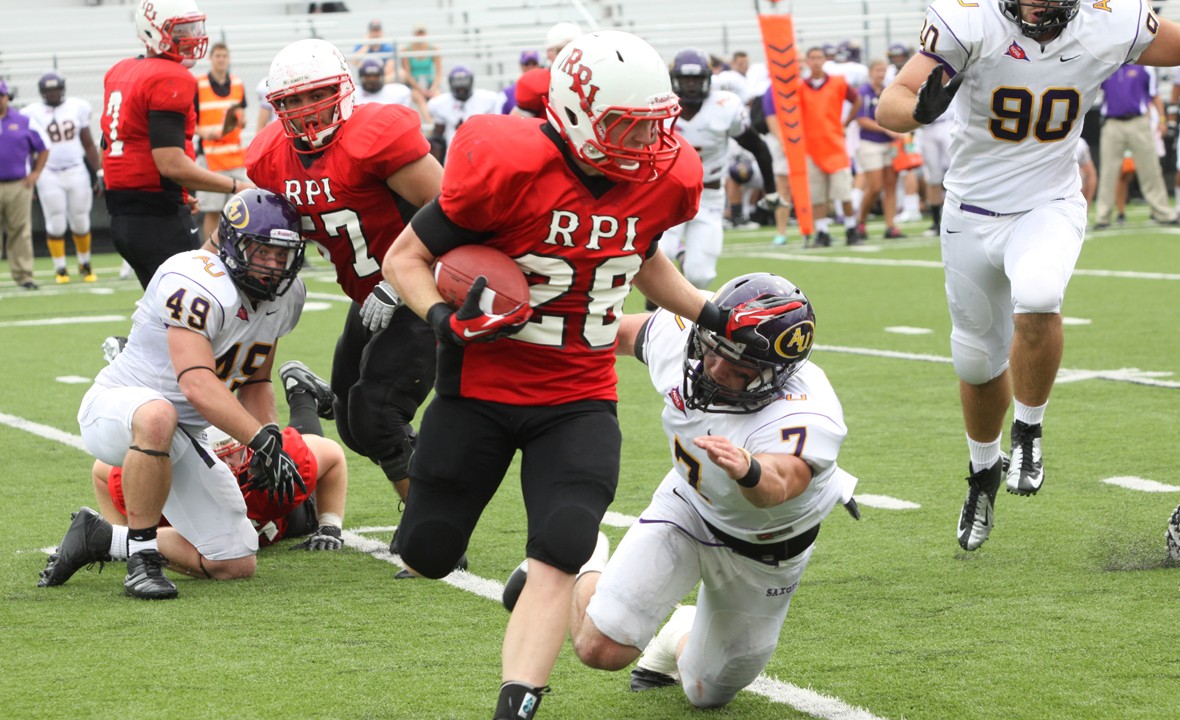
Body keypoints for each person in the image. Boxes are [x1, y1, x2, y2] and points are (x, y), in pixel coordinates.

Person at [383, 30, 806, 720]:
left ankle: (518, 701)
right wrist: (439, 318)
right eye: (625, 126)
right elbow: (405, 257)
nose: (645, 143)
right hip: (479, 388)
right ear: (575, 111)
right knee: (427, 552)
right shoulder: (505, 163)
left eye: (652, 126)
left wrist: (712, 312)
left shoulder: (664, 176)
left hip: (578, 393)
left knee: (566, 540)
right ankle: (515, 569)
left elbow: (637, 257)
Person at [877, 0, 1180, 551]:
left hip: (1049, 204)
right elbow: (889, 104)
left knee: (1039, 295)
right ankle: (983, 472)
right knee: (975, 358)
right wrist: (919, 111)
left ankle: (1029, 430)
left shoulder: (1109, 19)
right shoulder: (967, 20)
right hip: (970, 211)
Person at [519, 273, 855, 710]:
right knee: (598, 648)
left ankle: (677, 633)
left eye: (738, 370)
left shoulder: (807, 408)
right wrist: (534, 337)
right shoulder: (687, 333)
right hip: (687, 506)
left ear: (775, 375)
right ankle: (580, 558)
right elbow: (612, 333)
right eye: (713, 352)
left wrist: (749, 470)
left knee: (706, 692)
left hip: (766, 547)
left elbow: (781, 483)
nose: (714, 370)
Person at [38, 188, 307, 599]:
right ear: (234, 243)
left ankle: (102, 539)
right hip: (116, 409)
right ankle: (142, 561)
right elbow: (196, 382)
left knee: (233, 561)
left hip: (182, 434)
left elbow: (255, 379)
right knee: (158, 413)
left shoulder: (287, 298)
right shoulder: (196, 279)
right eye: (261, 250)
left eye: (280, 255)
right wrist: (259, 438)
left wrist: (267, 439)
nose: (272, 265)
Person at [245, 39, 443, 552]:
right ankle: (423, 487)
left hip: (423, 288)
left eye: (313, 96)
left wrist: (397, 280)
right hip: (366, 298)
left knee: (378, 415)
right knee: (355, 427)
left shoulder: (376, 138)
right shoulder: (271, 157)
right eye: (288, 101)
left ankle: (432, 531)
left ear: (343, 89)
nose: (301, 111)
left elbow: (452, 210)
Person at [90, 360, 347, 552]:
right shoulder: (163, 476)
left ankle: (302, 394)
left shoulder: (261, 471)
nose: (225, 467)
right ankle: (302, 391)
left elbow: (332, 456)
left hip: (285, 518)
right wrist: (125, 533)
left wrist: (329, 526)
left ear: (246, 447)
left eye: (231, 455)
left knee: (296, 482)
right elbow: (103, 473)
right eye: (217, 457)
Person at [101, 0, 255, 289]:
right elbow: (170, 163)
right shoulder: (169, 75)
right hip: (157, 218)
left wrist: (177, 192)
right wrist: (236, 187)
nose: (192, 37)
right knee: (195, 308)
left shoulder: (121, 70)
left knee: (160, 314)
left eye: (193, 28)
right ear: (154, 32)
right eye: (182, 30)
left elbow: (107, 147)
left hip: (121, 213)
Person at [661, 48, 780, 289]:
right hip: (665, 193)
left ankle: (683, 263)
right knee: (657, 257)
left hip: (709, 194)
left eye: (696, 79)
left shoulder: (725, 106)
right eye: (686, 80)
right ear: (674, 80)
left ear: (707, 79)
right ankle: (651, 313)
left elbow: (758, 147)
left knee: (700, 276)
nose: (692, 85)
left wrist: (771, 191)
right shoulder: (660, 108)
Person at [766, 46, 861, 247]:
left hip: (835, 146)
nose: (815, 62)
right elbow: (783, 105)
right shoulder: (800, 86)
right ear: (807, 62)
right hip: (810, 148)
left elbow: (857, 99)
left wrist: (846, 122)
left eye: (819, 58)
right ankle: (822, 232)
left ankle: (851, 229)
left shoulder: (837, 82)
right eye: (812, 58)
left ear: (825, 60)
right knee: (817, 196)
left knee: (843, 193)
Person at [23, 72, 102, 284]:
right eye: (49, 90)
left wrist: (99, 171)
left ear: (62, 89)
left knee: (80, 220)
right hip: (49, 172)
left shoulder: (78, 107)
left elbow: (88, 143)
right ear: (42, 92)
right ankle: (60, 268)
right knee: (55, 222)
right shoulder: (32, 112)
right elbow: (27, 148)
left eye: (56, 89)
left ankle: (85, 265)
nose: (53, 94)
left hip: (76, 169)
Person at [1093, 63, 1175, 228]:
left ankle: (1163, 213)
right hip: (1112, 123)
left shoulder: (1144, 67)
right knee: (1108, 171)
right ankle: (1103, 216)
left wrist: (1162, 119)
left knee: (1150, 169)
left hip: (1138, 121)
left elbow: (1155, 94)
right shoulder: (1108, 65)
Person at [195, 42, 250, 241]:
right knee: (212, 209)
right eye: (217, 55)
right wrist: (203, 131)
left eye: (224, 56)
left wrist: (242, 121)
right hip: (210, 156)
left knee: (241, 207)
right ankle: (209, 253)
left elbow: (241, 115)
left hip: (234, 156)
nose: (221, 59)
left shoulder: (236, 83)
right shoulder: (199, 85)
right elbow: (189, 121)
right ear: (211, 58)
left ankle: (235, 248)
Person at [0, 79, 49, 290]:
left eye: (0, 95)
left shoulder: (23, 120)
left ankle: (24, 276)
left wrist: (36, 172)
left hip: (18, 184)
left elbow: (43, 147)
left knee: (20, 230)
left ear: (6, 97)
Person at [854, 60, 902, 242]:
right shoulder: (863, 92)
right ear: (870, 72)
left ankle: (890, 226)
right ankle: (860, 221)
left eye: (883, 70)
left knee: (891, 185)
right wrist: (885, 128)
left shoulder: (888, 90)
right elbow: (861, 119)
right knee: (874, 186)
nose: (880, 73)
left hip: (889, 144)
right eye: (877, 70)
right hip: (870, 143)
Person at [428, 65, 506, 159]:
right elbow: (438, 138)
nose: (461, 87)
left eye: (464, 82)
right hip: (453, 152)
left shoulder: (488, 99)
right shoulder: (439, 104)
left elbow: (495, 131)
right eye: (457, 82)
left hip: (481, 148)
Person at [512, 22, 582, 118]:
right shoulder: (535, 82)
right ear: (549, 53)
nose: (569, 54)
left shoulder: (596, 76)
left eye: (575, 49)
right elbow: (519, 125)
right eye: (561, 50)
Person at [401, 24, 443, 122]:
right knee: (419, 98)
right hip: (414, 85)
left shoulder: (434, 49)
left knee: (437, 97)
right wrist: (420, 89)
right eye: (418, 34)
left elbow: (438, 73)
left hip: (430, 83)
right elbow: (407, 73)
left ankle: (438, 124)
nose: (420, 36)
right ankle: (431, 124)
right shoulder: (406, 50)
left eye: (422, 33)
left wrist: (433, 87)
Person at [501, 50, 540, 115]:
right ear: (521, 66)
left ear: (538, 65)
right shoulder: (508, 93)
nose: (530, 67)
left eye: (534, 63)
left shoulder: (546, 90)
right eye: (526, 64)